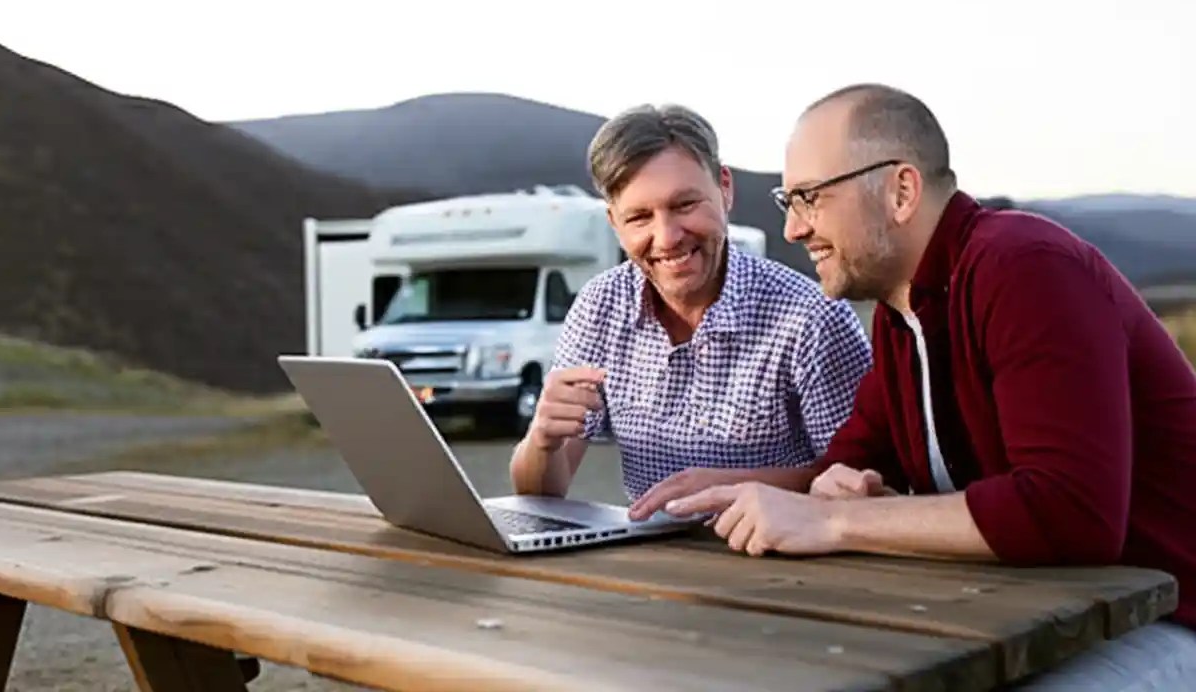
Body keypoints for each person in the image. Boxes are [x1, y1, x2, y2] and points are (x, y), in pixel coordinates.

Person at [664, 83, 1196, 687]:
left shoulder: (1023, 267)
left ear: (901, 191)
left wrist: (836, 523)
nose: (792, 228)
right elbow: (846, 467)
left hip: (1164, 617)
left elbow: (1072, 512)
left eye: (809, 198)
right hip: (1043, 613)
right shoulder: (904, 314)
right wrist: (765, 490)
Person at [508, 103, 872, 519]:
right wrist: (541, 440)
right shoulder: (599, 307)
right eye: (640, 217)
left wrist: (734, 486)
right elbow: (540, 493)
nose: (666, 238)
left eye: (684, 205)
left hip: (784, 567)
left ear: (725, 189)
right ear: (614, 223)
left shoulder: (813, 319)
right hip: (651, 567)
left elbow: (860, 481)